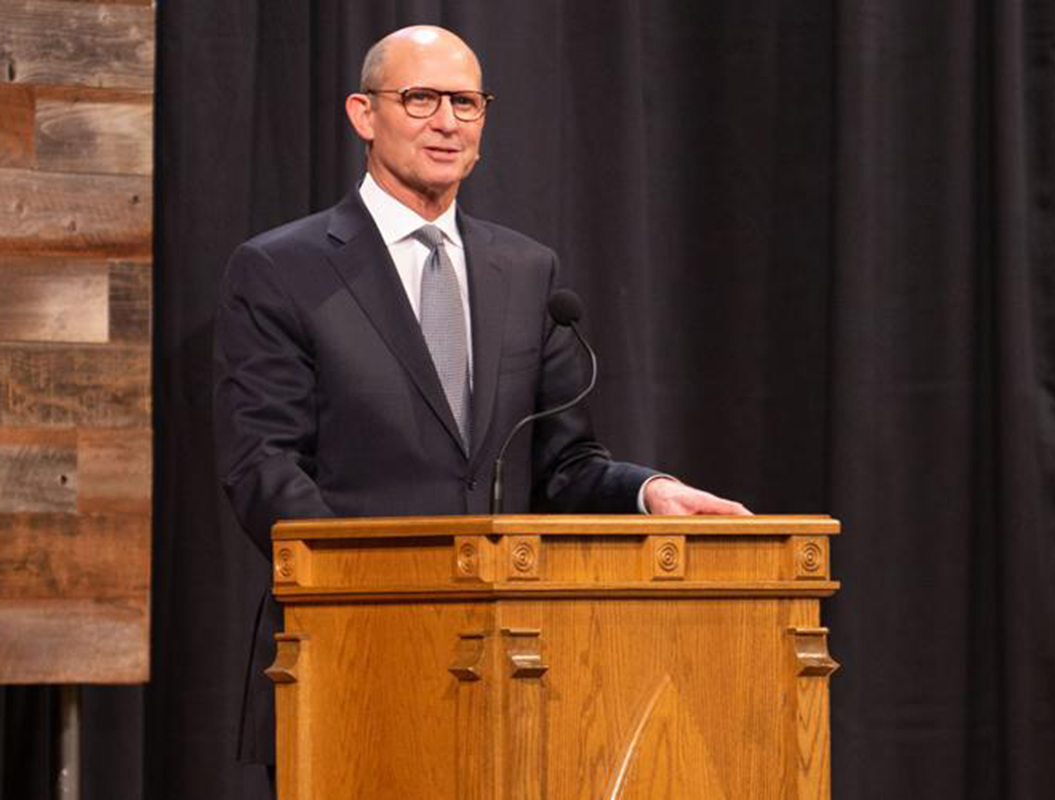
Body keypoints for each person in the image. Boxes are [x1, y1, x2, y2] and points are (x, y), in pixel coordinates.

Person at [213, 24, 749, 774]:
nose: (446, 122)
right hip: (352, 655)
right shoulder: (281, 268)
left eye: (466, 102)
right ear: (363, 115)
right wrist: (379, 587)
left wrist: (648, 493)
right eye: (420, 98)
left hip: (514, 666)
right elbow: (262, 464)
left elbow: (563, 465)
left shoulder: (527, 271)